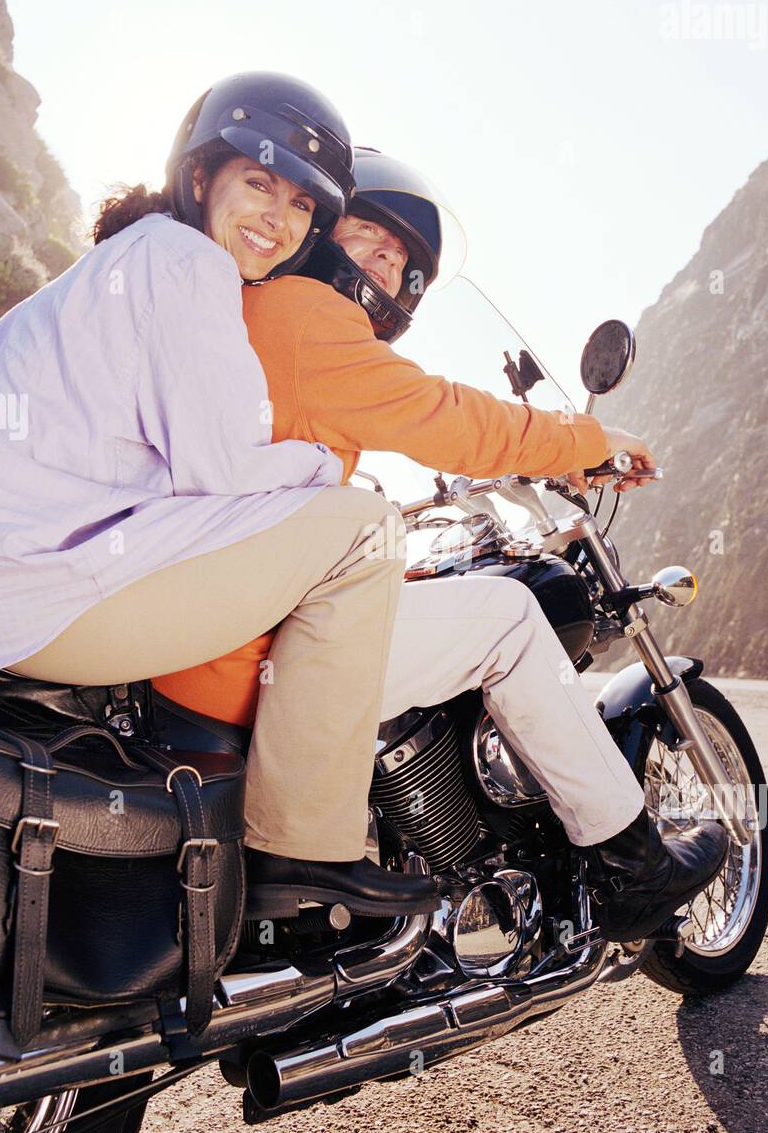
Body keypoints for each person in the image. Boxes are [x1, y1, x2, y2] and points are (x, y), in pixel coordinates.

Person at [0, 75, 438, 918]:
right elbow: (224, 469)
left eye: (304, 206)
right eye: (259, 184)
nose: (279, 219)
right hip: (23, 602)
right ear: (201, 178)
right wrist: (319, 470)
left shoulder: (120, 265)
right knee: (361, 528)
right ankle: (304, 853)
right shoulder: (184, 263)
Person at [152, 148, 729, 941]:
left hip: (207, 633)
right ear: (322, 233)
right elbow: (448, 419)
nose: (383, 264)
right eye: (367, 239)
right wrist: (587, 442)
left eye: (400, 260)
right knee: (507, 618)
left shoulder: (253, 310)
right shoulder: (298, 311)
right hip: (248, 657)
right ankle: (634, 871)